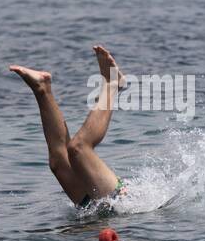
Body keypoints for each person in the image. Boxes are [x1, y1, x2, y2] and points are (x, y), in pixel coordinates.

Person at [10, 45, 128, 208]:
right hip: (118, 205)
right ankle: (43, 88)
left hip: (111, 209)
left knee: (63, 158)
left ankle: (111, 83)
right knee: (74, 151)